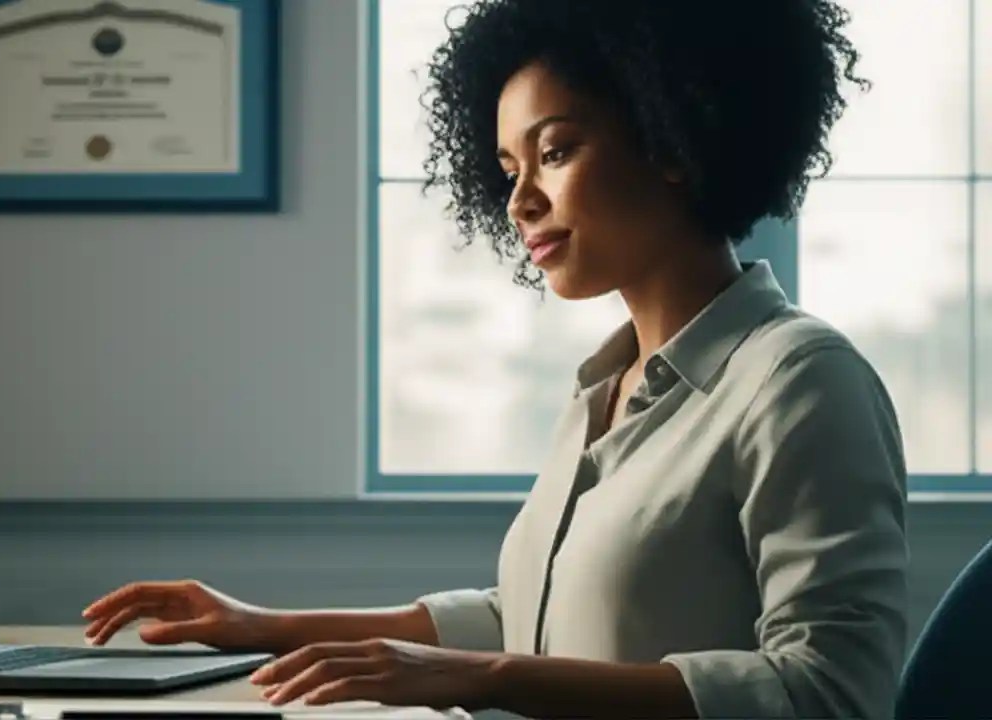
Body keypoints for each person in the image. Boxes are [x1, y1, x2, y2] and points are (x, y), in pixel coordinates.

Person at [82, 0, 909, 717]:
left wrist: (483, 680)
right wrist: (261, 624)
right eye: (510, 168)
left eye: (555, 152)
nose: (519, 201)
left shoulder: (801, 379)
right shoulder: (605, 390)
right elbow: (526, 615)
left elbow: (830, 692)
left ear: (672, 138)